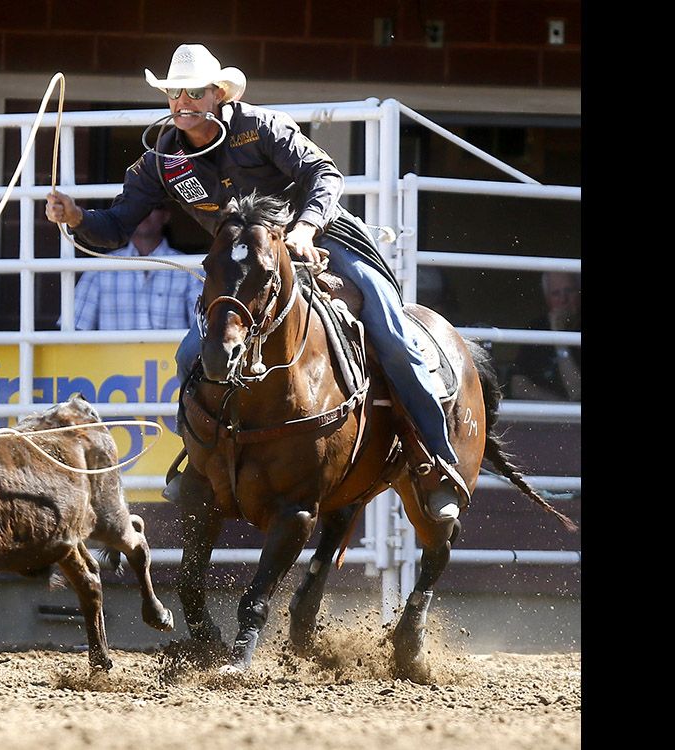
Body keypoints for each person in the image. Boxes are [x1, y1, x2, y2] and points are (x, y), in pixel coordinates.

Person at [45, 43, 470, 511]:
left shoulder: (262, 128)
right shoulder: (164, 161)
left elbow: (323, 174)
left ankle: (436, 464)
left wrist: (306, 228)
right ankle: (198, 464)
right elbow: (118, 225)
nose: (182, 103)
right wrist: (77, 217)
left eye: (192, 92)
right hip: (243, 270)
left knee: (390, 332)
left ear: (217, 94)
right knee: (192, 353)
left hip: (323, 239)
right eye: (173, 94)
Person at [71, 206, 204, 331]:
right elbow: (74, 330)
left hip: (169, 356)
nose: (143, 213)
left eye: (152, 207)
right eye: (135, 208)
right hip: (114, 356)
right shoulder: (100, 269)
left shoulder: (189, 269)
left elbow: (202, 332)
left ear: (166, 215)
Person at [510, 271, 581, 401]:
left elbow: (577, 393)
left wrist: (559, 339)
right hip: (545, 414)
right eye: (556, 294)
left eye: (569, 291)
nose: (563, 300)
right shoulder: (536, 328)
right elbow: (518, 385)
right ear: (547, 300)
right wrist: (559, 406)